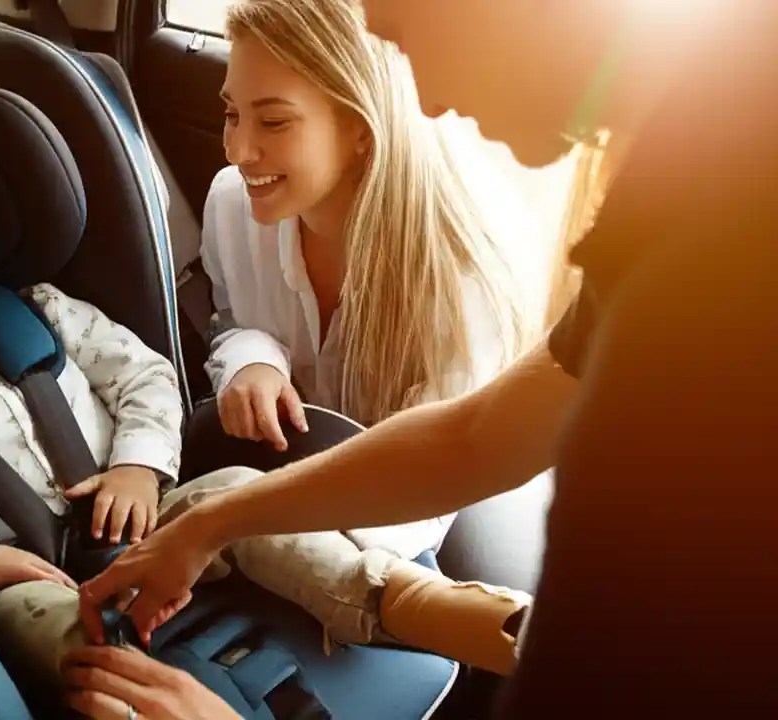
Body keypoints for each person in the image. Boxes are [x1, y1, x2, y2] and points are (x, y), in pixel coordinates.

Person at [74, 0, 778, 717]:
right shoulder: (671, 193)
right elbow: (471, 438)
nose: (430, 100)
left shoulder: (728, 229)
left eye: (410, 38)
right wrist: (209, 523)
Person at [0, 184, 532, 700]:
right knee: (42, 628)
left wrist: (140, 468)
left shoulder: (43, 316)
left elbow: (143, 375)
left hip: (155, 520)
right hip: (35, 584)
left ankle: (410, 604)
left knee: (240, 491)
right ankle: (147, 701)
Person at [199, 0, 529, 563]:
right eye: (232, 114)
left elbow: (440, 472)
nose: (237, 151)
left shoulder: (459, 271)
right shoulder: (232, 205)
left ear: (359, 128)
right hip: (287, 493)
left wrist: (277, 537)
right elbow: (228, 322)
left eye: (273, 121)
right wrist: (253, 358)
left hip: (398, 528)